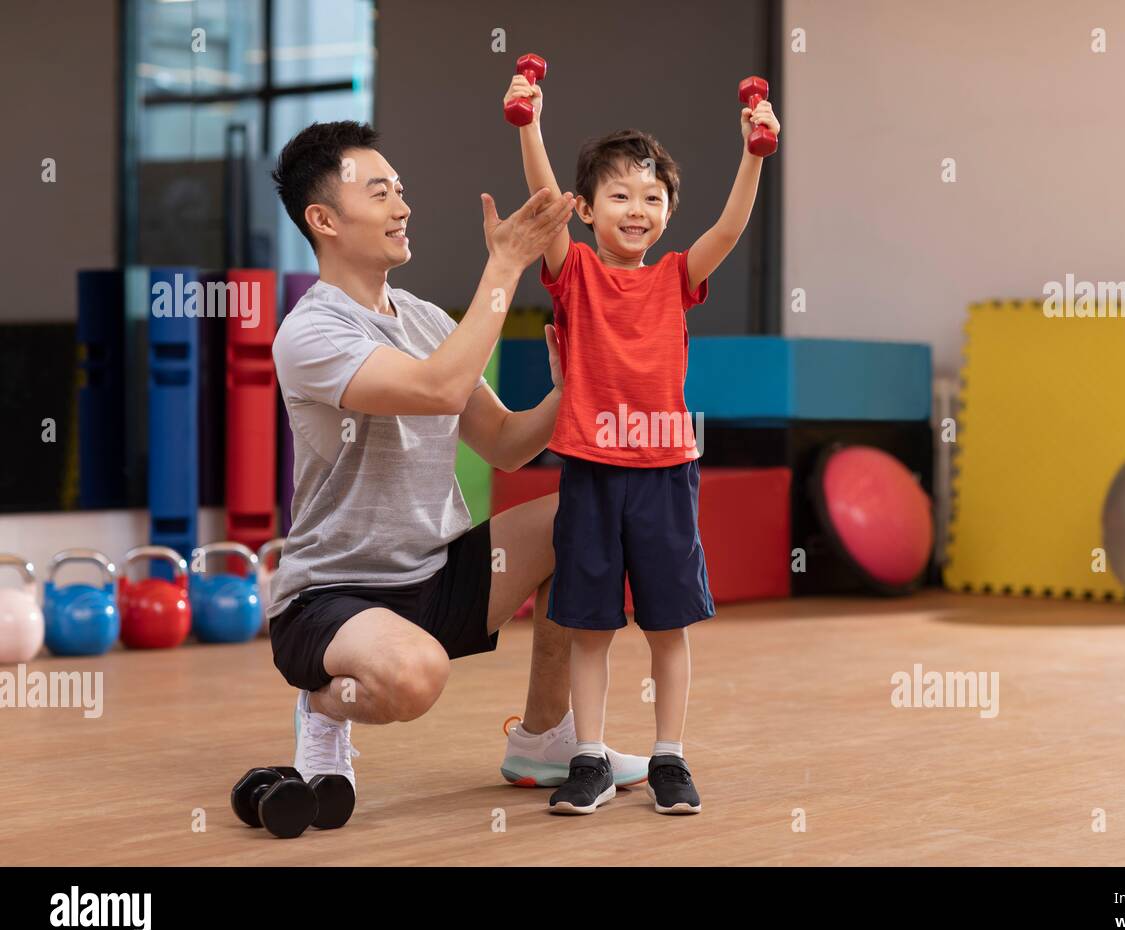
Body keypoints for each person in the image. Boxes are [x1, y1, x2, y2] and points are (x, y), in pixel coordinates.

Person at [266, 120, 650, 797]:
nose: (402, 207)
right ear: (323, 219)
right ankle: (323, 709)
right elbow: (435, 389)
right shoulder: (311, 332)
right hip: (334, 597)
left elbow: (503, 443)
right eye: (379, 192)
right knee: (417, 679)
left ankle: (544, 739)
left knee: (587, 513)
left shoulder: (424, 319)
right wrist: (504, 266)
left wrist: (568, 389)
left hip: (437, 575)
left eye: (401, 190)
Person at [503, 74, 780, 814]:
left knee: (667, 625)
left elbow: (727, 228)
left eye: (652, 197)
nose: (638, 208)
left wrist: (755, 151)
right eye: (620, 195)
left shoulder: (675, 279)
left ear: (666, 215)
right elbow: (545, 195)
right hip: (593, 474)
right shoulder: (575, 274)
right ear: (586, 209)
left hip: (664, 475)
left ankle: (669, 759)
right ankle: (589, 757)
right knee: (588, 626)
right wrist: (528, 121)